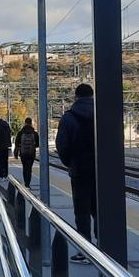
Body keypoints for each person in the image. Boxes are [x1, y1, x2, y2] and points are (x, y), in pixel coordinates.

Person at [56, 84, 96, 264]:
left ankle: (85, 250)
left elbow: (62, 145)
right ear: (92, 95)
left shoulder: (69, 117)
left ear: (76, 96)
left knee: (82, 211)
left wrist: (70, 162)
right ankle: (104, 247)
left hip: (79, 170)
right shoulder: (102, 112)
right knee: (100, 209)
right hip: (102, 170)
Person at [14, 118, 40, 189]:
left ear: (25, 123)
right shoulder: (34, 133)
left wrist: (16, 154)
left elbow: (16, 144)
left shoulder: (20, 133)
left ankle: (26, 183)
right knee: (29, 168)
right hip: (31, 153)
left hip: (23, 153)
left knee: (25, 168)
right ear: (31, 123)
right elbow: (38, 144)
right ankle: (28, 183)